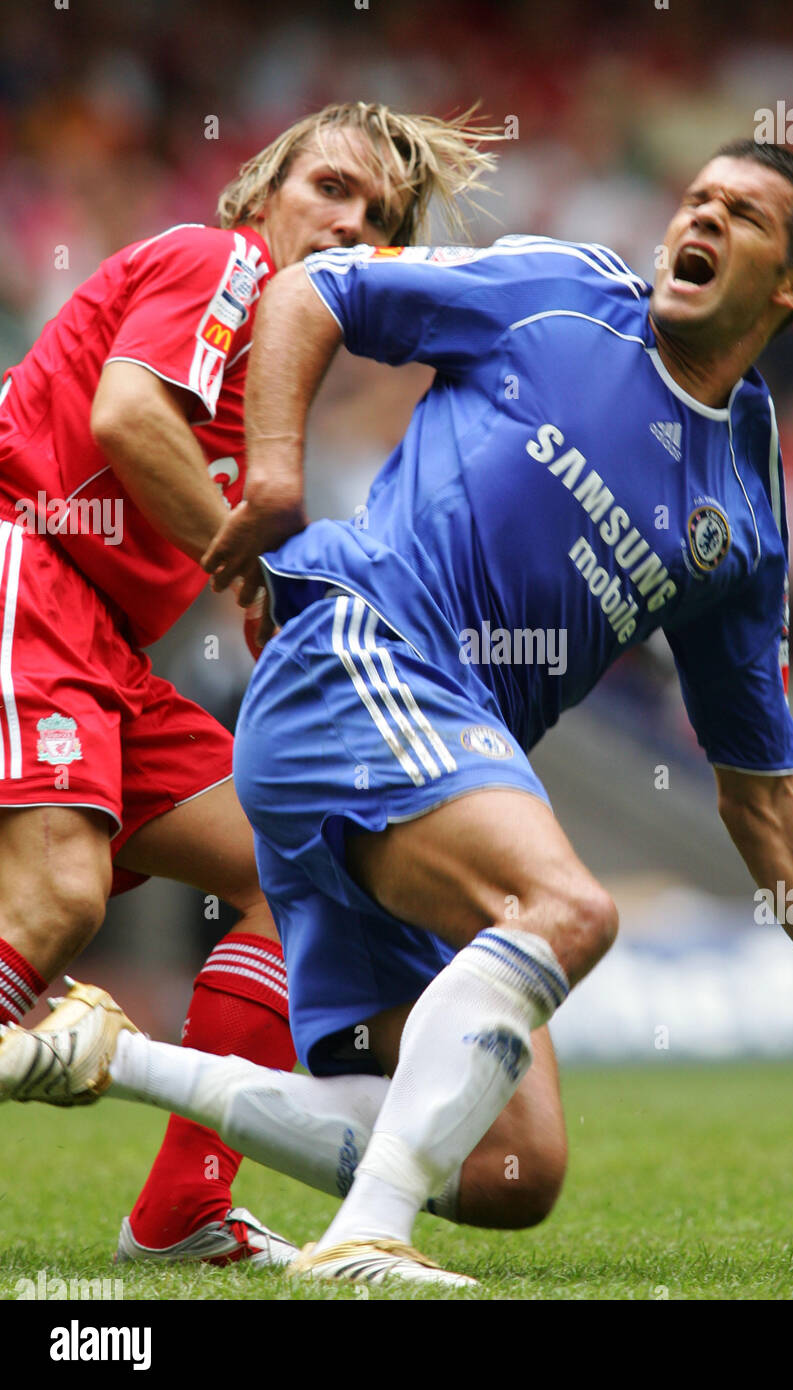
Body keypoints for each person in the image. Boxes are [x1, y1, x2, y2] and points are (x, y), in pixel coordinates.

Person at [4, 141, 793, 1289]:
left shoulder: (741, 505)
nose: (701, 217)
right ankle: (363, 1237)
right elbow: (309, 290)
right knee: (570, 906)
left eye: (740, 214)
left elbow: (762, 790)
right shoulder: (566, 293)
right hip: (362, 652)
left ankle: (115, 1067)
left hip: (432, 772)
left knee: (508, 1167)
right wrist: (276, 479)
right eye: (696, 197)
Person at [0, 101, 504, 1266]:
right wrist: (272, 566)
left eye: (377, 220)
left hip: (102, 647)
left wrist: (247, 565)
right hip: (28, 566)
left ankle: (182, 1208)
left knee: (302, 863)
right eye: (330, 188)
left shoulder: (261, 377)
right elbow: (126, 415)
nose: (347, 225)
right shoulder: (218, 259)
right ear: (257, 196)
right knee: (62, 896)